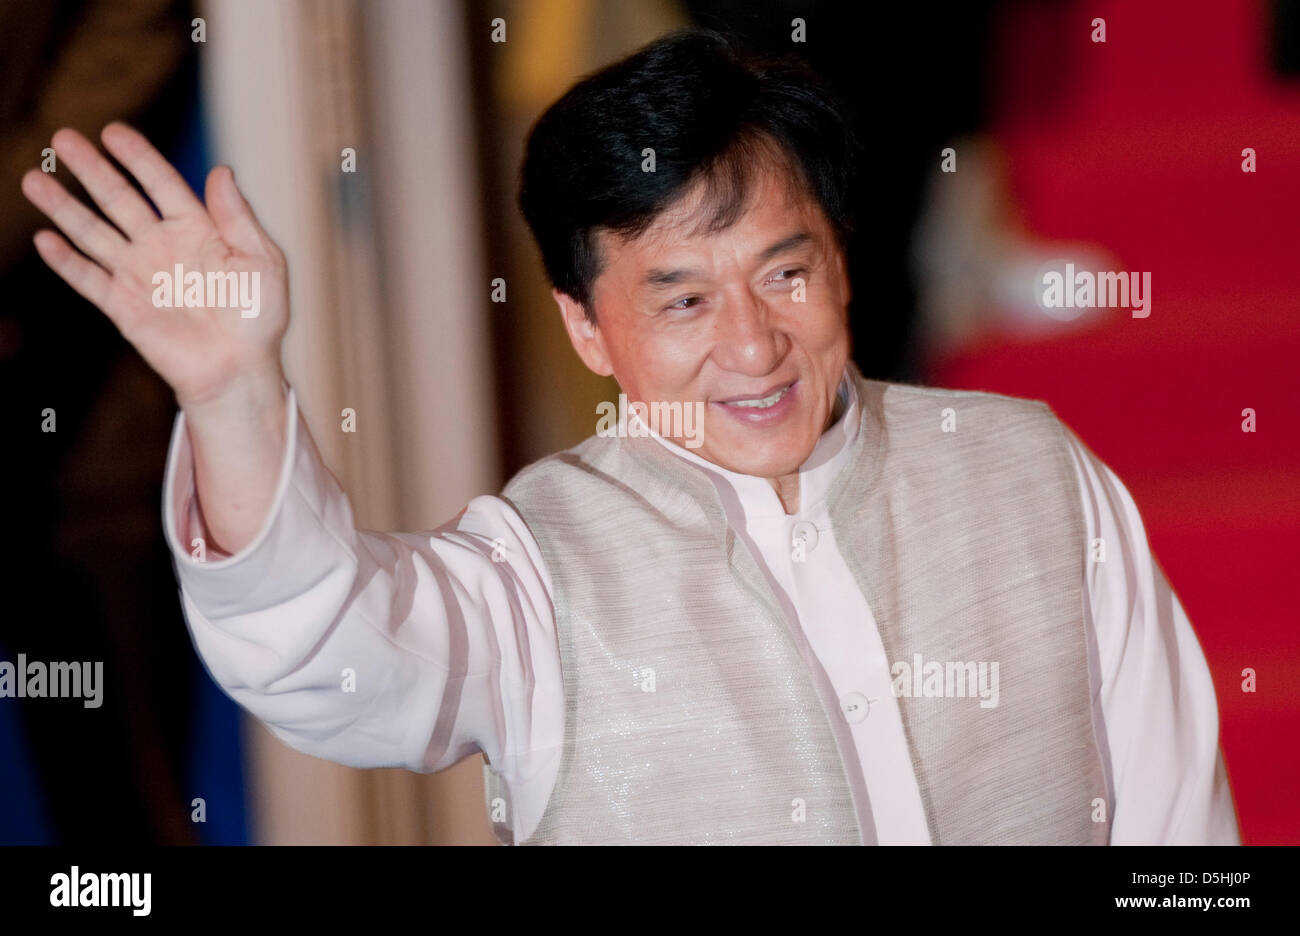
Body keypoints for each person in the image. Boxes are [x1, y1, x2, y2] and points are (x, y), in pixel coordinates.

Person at [21, 29, 1240, 845]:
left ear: (842, 259)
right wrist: (234, 389)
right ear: (587, 328)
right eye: (681, 299)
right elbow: (332, 653)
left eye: (784, 270)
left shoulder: (1034, 472)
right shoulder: (529, 571)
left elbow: (1178, 830)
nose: (753, 346)